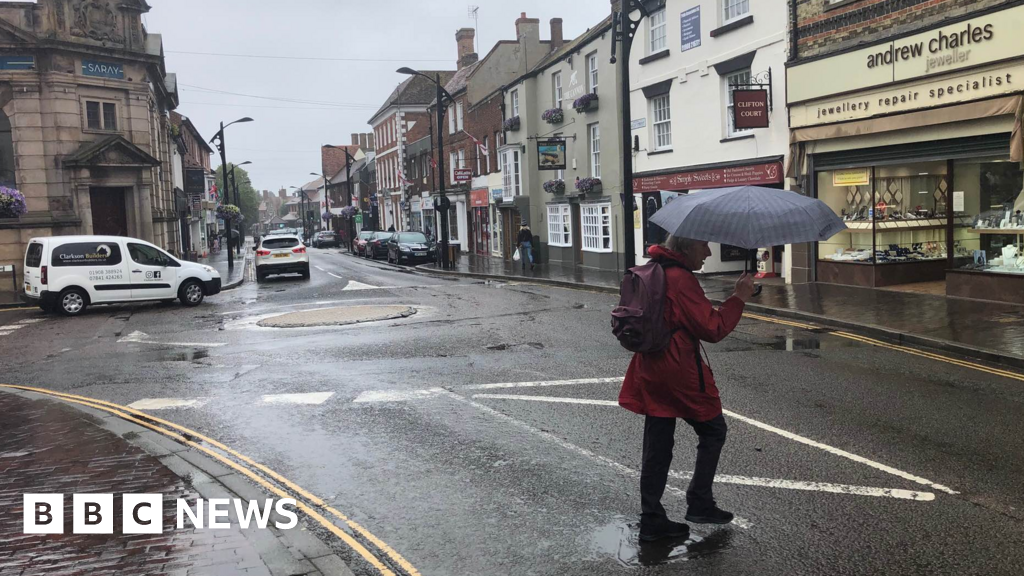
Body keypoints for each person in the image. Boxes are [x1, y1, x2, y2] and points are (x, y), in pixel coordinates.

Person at [619, 236, 756, 543]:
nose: (708, 251)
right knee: (713, 430)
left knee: (657, 443)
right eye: (703, 245)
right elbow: (713, 328)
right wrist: (739, 297)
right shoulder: (681, 279)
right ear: (686, 246)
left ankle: (652, 518)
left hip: (650, 365)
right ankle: (700, 501)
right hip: (677, 369)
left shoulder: (655, 268)